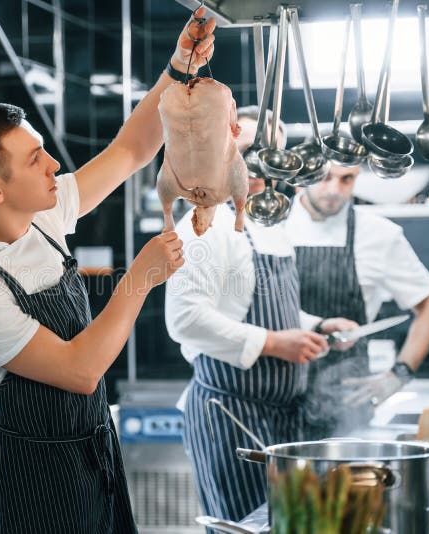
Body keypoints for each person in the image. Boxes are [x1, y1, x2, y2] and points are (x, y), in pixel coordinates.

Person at [0, 8, 216, 533]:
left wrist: (178, 70)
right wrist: (139, 279)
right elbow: (79, 371)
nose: (55, 167)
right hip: (32, 482)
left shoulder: (43, 212)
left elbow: (131, 150)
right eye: (36, 158)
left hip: (93, 453)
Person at [163, 106, 358, 523]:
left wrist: (315, 326)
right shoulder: (205, 225)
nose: (259, 164)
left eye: (272, 153)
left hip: (279, 418)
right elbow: (185, 319)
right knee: (245, 529)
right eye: (249, 149)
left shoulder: (265, 221)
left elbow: (261, 304)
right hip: (230, 417)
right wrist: (272, 343)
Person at [284, 163, 429, 441]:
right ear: (302, 178)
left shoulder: (379, 234)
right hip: (272, 398)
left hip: (345, 406)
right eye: (325, 178)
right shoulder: (269, 226)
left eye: (346, 179)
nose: (335, 190)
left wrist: (399, 374)